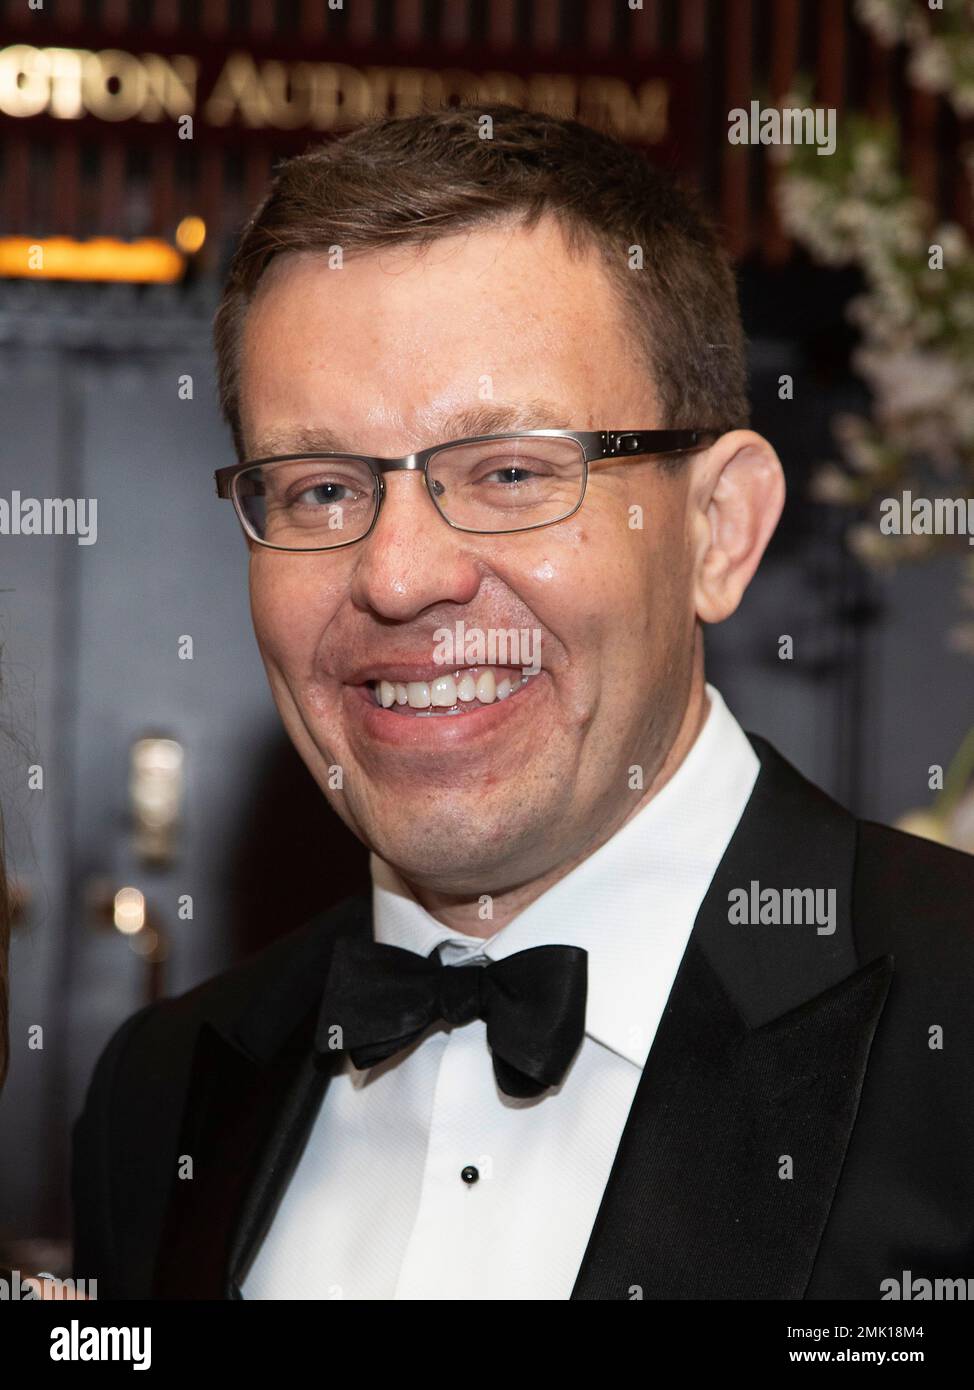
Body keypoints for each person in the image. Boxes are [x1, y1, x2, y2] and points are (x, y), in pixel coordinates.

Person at [72, 105, 974, 1300]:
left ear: (718, 530)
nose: (396, 577)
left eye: (508, 472)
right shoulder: (165, 1087)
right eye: (322, 488)